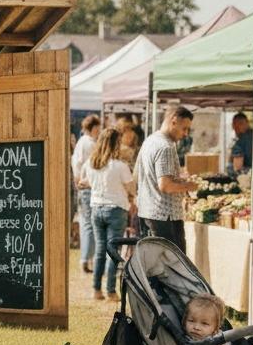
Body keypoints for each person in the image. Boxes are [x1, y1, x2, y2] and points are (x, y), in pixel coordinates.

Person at [79, 128, 135, 301]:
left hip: (97, 209)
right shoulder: (120, 166)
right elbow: (131, 187)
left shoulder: (91, 163)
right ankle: (111, 290)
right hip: (116, 209)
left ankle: (96, 290)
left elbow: (83, 181)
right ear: (116, 143)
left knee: (100, 251)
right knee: (113, 252)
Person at [136, 105, 197, 253]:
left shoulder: (149, 140)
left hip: (148, 212)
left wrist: (179, 180)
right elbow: (166, 185)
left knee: (155, 267)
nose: (185, 134)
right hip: (165, 217)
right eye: (184, 128)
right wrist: (190, 186)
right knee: (174, 267)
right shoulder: (166, 146)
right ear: (174, 121)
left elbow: (138, 174)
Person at [71, 114, 100, 273]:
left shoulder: (82, 142)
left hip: (82, 185)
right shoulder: (89, 144)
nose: (99, 130)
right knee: (89, 224)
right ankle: (86, 259)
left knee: (85, 223)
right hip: (88, 186)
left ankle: (86, 258)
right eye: (98, 127)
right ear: (93, 128)